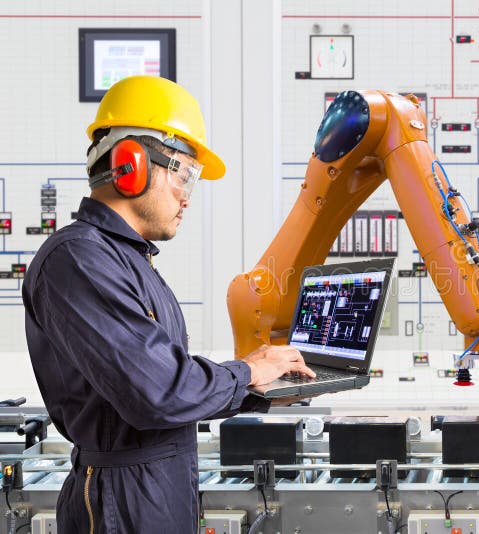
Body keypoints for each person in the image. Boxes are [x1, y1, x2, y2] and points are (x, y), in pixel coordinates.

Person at [22, 75, 316, 533]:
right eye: (183, 174)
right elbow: (156, 392)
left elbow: (164, 383)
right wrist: (248, 371)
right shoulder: (77, 259)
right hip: (124, 501)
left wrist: (256, 390)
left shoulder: (125, 259)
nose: (186, 196)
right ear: (130, 164)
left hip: (156, 489)